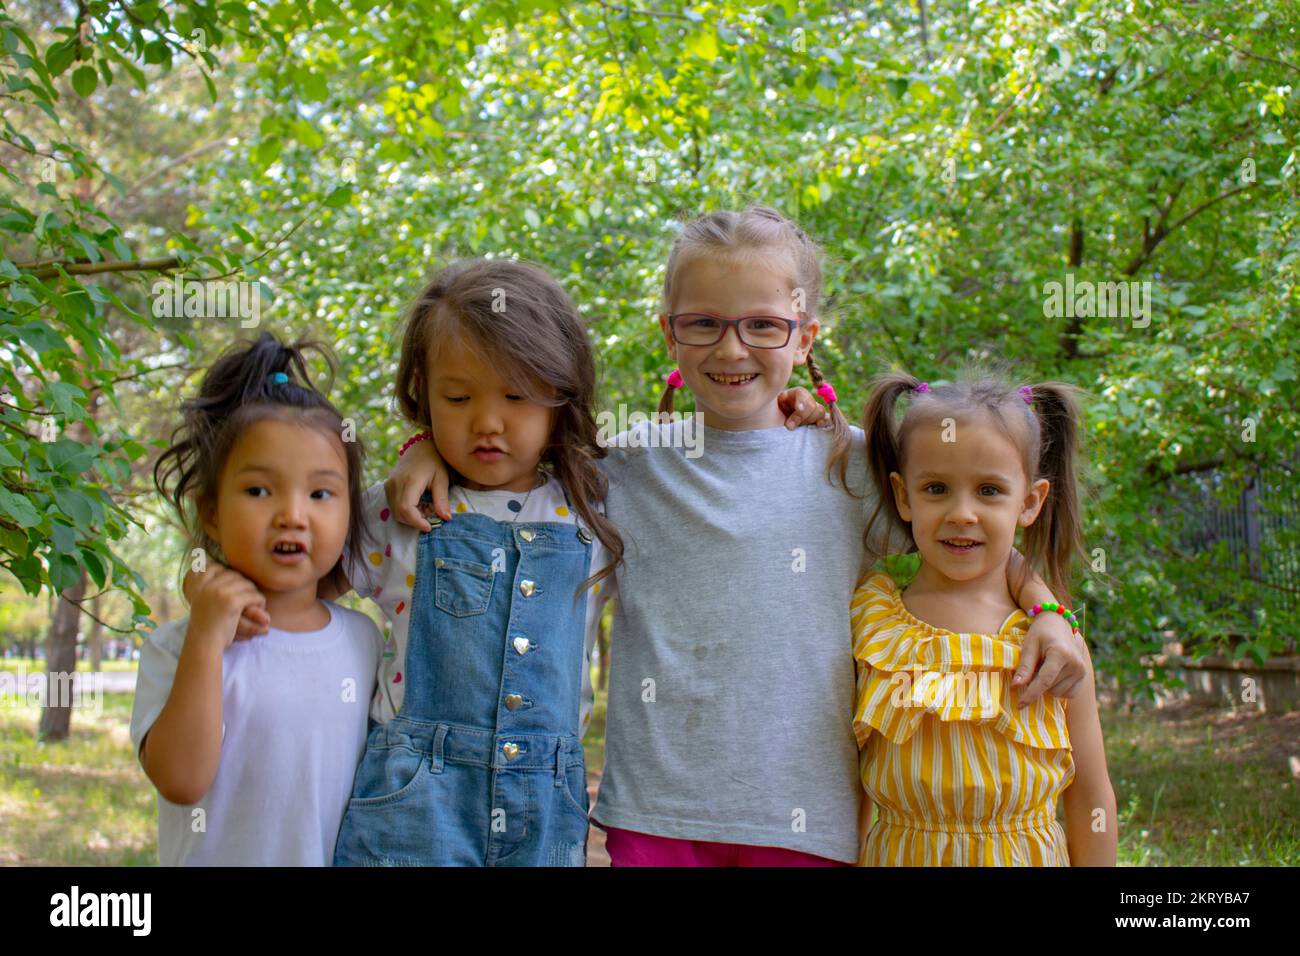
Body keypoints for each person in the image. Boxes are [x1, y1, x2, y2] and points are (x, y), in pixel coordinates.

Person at [390, 206, 1090, 866]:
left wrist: (1049, 613)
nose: (732, 348)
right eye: (704, 324)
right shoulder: (624, 468)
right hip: (656, 815)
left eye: (762, 325)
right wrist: (426, 444)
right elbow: (510, 462)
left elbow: (968, 539)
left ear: (804, 336)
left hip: (806, 815)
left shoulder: (851, 468)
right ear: (670, 332)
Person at [133, 332, 380, 865]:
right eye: (259, 490)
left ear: (349, 512)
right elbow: (180, 780)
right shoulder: (176, 647)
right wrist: (206, 637)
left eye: (321, 494)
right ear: (211, 512)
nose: (293, 514)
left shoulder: (365, 642)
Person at [852, 370, 1117, 865]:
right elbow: (850, 784)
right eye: (935, 488)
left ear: (1031, 502)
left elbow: (1090, 797)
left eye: (990, 491)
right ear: (903, 495)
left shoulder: (1052, 645)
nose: (962, 513)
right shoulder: (874, 625)